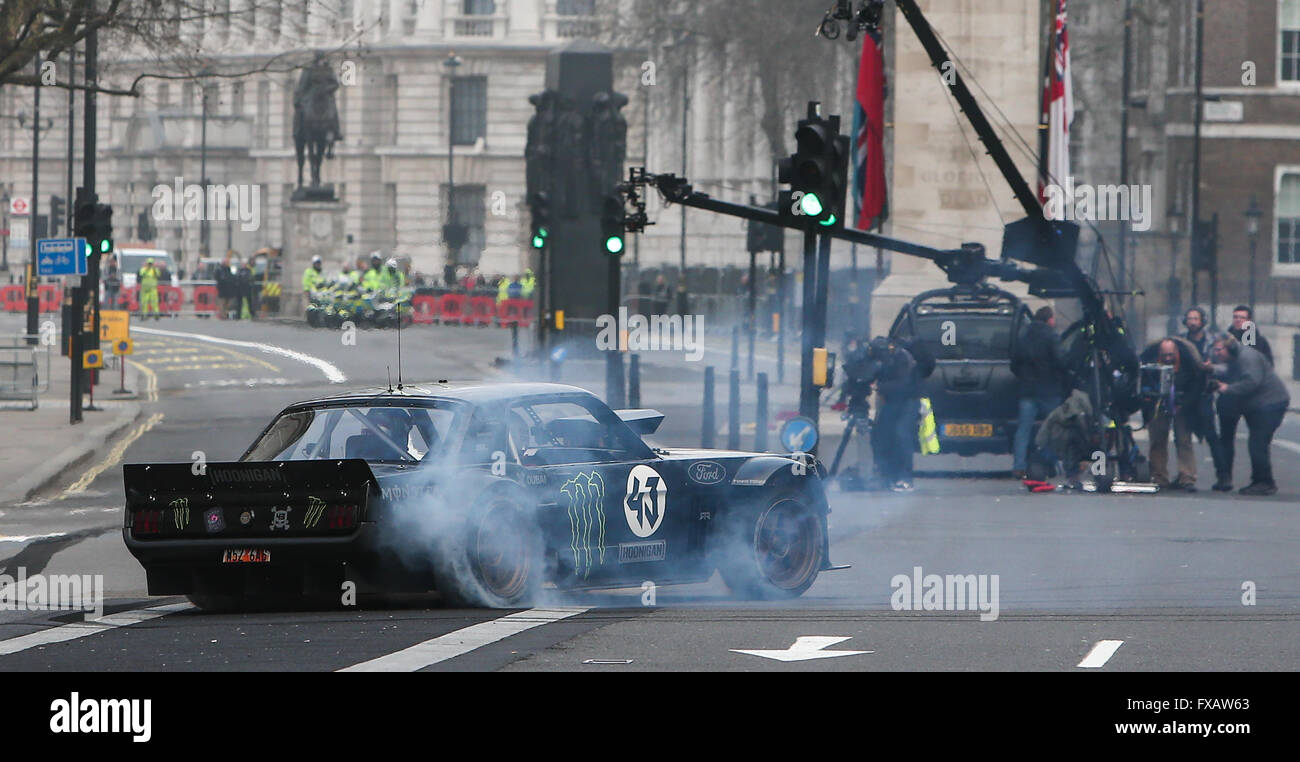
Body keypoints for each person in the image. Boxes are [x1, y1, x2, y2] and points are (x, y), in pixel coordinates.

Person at [1211, 336, 1290, 495]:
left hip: (1270, 403)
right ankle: (1261, 480)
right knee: (1257, 442)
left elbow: (1252, 382)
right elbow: (1229, 370)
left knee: (1258, 442)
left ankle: (1264, 482)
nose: (1216, 353)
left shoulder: (1247, 358)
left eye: (1219, 350)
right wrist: (1211, 369)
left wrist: (1228, 388)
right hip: (1260, 404)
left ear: (1230, 349)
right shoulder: (1237, 357)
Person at [1141, 337, 1206, 491]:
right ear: (1159, 353)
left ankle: (1187, 476)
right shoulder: (1148, 357)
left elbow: (1197, 383)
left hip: (1183, 402)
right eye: (1165, 356)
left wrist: (1185, 404)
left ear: (1176, 351)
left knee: (1184, 440)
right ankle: (1159, 476)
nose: (1168, 359)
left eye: (1171, 355)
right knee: (1157, 439)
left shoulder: (1188, 360)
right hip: (1157, 402)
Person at [1010, 306, 1067, 479]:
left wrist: (1024, 376)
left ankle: (1019, 466)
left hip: (1027, 390)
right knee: (1053, 428)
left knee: (1023, 429)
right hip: (1048, 390)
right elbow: (1061, 361)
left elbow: (1014, 364)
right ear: (1049, 320)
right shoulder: (1052, 337)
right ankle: (1048, 462)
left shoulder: (1023, 336)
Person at [1180, 306, 1230, 488]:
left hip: (1204, 394)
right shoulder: (1180, 341)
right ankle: (1185, 477)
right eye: (1190, 319)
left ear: (1203, 321)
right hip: (1184, 394)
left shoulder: (1213, 342)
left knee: (1211, 436)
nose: (1192, 322)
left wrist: (1212, 369)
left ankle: (1223, 476)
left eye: (1196, 319)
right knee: (1182, 437)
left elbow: (1228, 367)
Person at [868, 336, 921, 492]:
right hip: (891, 401)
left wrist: (881, 386)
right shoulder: (882, 360)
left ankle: (905, 477)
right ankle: (886, 474)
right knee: (879, 435)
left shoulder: (902, 358)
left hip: (908, 400)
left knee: (901, 434)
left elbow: (904, 383)